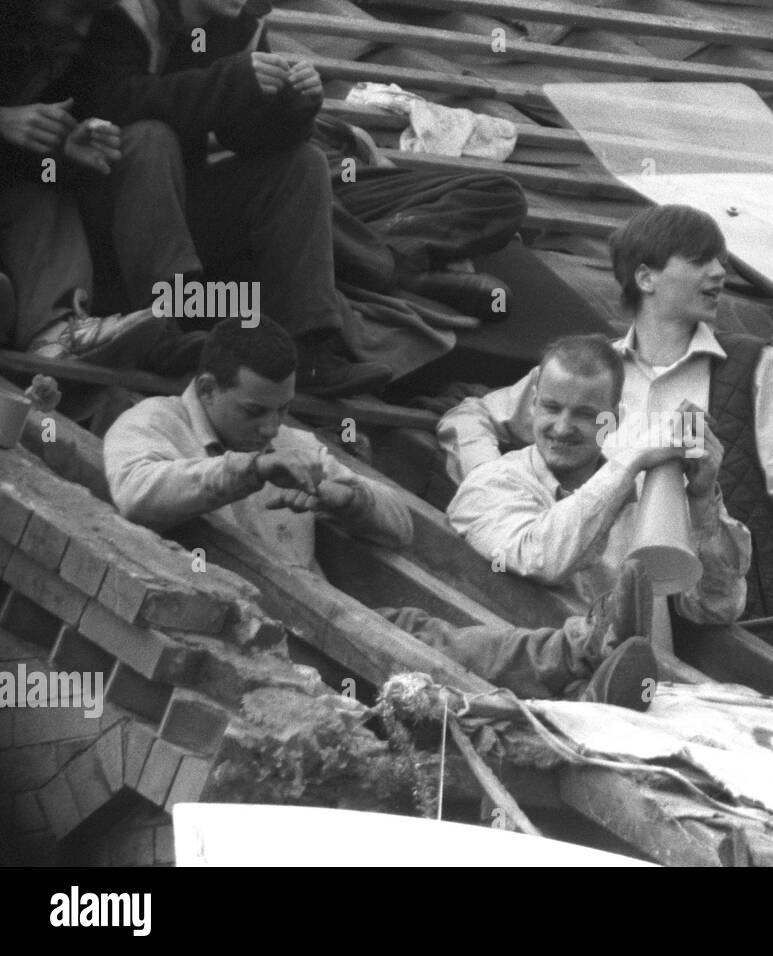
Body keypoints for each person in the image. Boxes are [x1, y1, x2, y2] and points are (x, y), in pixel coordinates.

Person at [103, 318, 658, 709]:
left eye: (282, 411)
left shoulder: (291, 443)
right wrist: (247, 470)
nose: (272, 428)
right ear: (205, 388)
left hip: (322, 619)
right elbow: (137, 492)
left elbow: (398, 526)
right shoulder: (153, 424)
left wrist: (344, 498)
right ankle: (581, 671)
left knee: (428, 633)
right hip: (251, 636)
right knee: (426, 663)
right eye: (255, 412)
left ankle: (584, 651)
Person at [439, 204, 773, 640]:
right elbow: (472, 414)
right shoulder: (591, 372)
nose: (718, 273)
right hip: (604, 604)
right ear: (646, 276)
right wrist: (485, 482)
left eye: (720, 261)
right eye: (699, 260)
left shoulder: (754, 367)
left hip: (728, 618)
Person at [65, 0, 390, 395]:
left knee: (303, 162)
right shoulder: (121, 13)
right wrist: (229, 84)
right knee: (151, 137)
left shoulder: (241, 25)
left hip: (175, 225)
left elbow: (244, 136)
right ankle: (160, 329)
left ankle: (307, 352)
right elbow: (109, 102)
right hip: (95, 228)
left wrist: (291, 107)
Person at [448, 334, 750, 624]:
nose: (563, 428)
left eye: (584, 415)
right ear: (533, 405)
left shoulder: (645, 507)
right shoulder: (490, 484)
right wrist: (633, 457)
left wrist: (702, 499)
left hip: (641, 673)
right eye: (552, 408)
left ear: (612, 421)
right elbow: (543, 559)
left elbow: (716, 609)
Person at [0, 0, 165, 365]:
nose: (84, 28)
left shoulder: (69, 46)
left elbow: (24, 167)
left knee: (44, 195)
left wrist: (62, 148)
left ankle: (57, 332)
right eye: (75, 12)